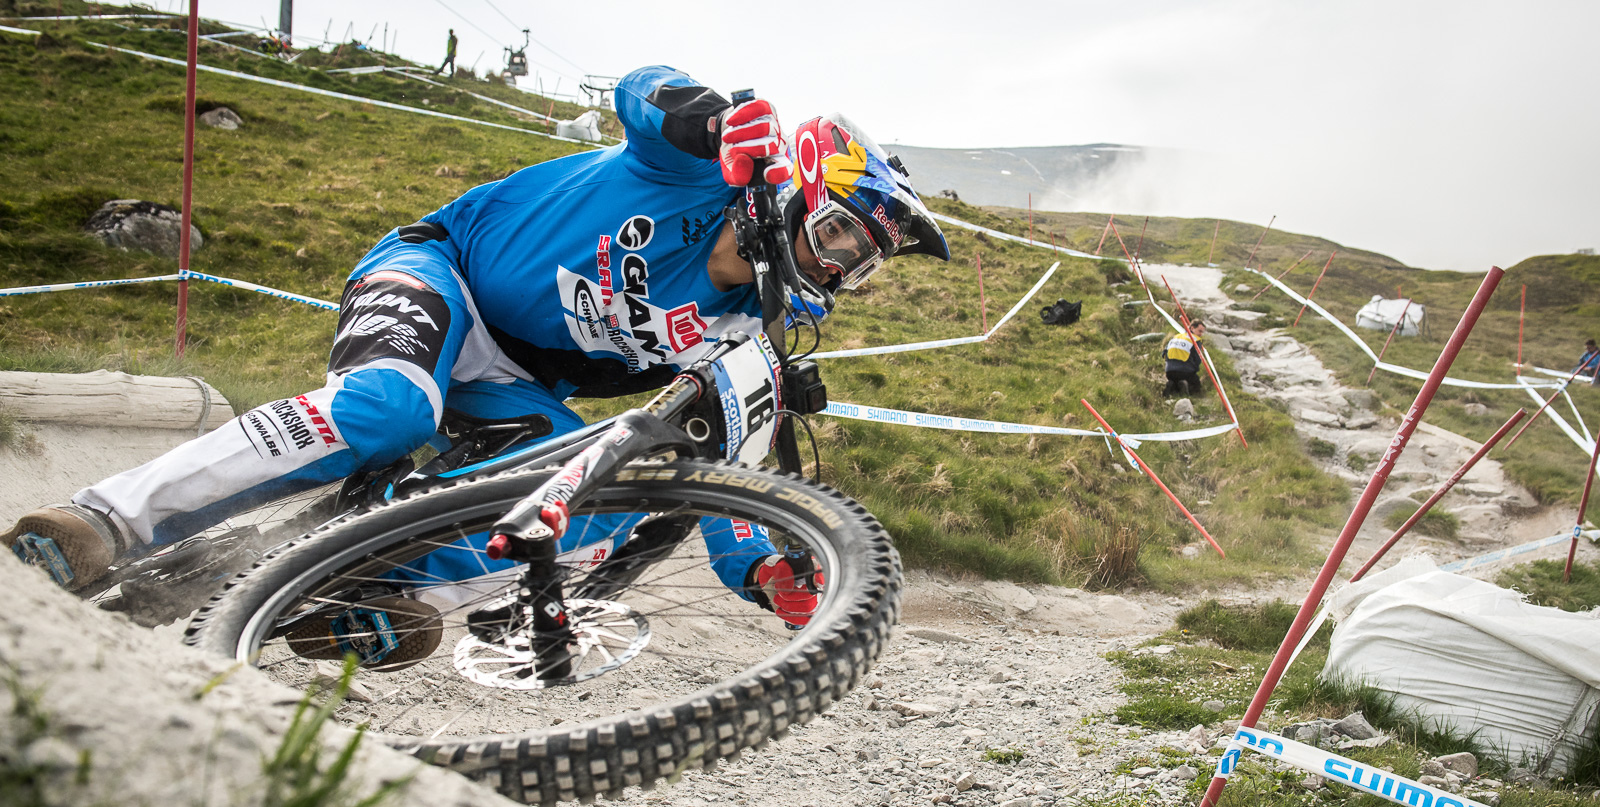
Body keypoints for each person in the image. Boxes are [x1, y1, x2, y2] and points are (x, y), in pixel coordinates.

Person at [4, 65, 950, 663]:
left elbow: (713, 472)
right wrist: (712, 118)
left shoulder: (741, 332)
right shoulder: (696, 172)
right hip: (440, 273)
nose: (836, 265)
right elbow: (639, 92)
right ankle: (98, 522)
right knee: (388, 406)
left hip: (519, 382)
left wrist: (764, 574)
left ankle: (363, 588)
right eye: (836, 232)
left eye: (859, 261)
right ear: (796, 190)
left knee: (589, 504)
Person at [1163, 319, 1207, 397]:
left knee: (1175, 379)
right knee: (1196, 384)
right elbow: (1197, 359)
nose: (1201, 334)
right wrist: (1195, 370)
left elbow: (1164, 353)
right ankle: (1186, 388)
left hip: (1169, 371)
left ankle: (1171, 385)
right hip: (1185, 372)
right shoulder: (1195, 340)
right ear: (1192, 328)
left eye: (1202, 332)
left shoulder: (1176, 337)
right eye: (1199, 331)